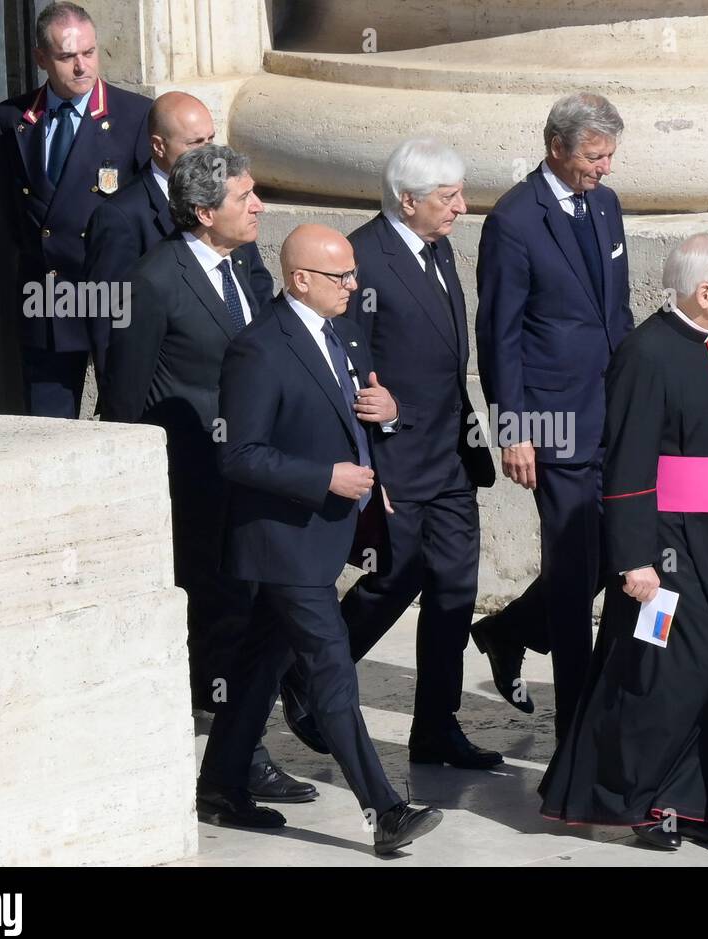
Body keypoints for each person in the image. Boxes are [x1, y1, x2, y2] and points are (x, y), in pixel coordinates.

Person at [540, 234, 708, 851]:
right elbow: (625, 463)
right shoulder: (646, 353)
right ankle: (634, 799)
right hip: (669, 546)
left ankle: (690, 801)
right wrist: (634, 560)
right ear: (704, 292)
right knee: (667, 673)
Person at [197, 223, 442, 856]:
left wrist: (387, 419)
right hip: (282, 542)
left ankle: (221, 784)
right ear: (301, 279)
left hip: (328, 533)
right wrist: (324, 477)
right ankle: (384, 809)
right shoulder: (260, 348)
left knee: (259, 664)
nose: (355, 286)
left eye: (354, 273)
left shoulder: (343, 335)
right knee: (331, 670)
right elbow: (240, 455)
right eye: (342, 277)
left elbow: (354, 422)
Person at [98, 144, 314, 804]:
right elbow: (125, 397)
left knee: (264, 608)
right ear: (201, 211)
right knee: (227, 617)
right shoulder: (153, 281)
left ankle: (259, 735)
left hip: (260, 471)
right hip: (198, 482)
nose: (260, 206)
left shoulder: (245, 262)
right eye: (244, 198)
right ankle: (237, 762)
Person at [279, 139, 500, 769]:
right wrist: (371, 411)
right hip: (395, 455)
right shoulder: (363, 257)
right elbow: (337, 347)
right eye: (447, 196)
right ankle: (306, 676)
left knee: (455, 588)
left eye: (459, 193)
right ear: (408, 200)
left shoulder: (439, 247)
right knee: (391, 579)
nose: (460, 206)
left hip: (451, 455)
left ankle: (436, 724)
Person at [472, 92, 635, 738]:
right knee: (572, 573)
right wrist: (512, 430)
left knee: (613, 556)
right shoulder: (514, 221)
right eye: (595, 156)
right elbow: (499, 336)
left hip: (611, 416)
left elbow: (615, 314)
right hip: (551, 424)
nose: (605, 168)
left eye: (610, 156)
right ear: (556, 149)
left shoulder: (606, 204)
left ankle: (508, 631)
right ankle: (578, 729)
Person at [0, 1, 149, 417]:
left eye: (89, 53)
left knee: (129, 424)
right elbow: (6, 212)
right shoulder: (10, 119)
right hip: (48, 301)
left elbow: (153, 214)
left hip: (115, 297)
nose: (81, 67)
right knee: (48, 429)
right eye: (66, 56)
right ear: (41, 58)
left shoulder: (135, 116)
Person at [83, 91, 273, 316]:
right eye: (196, 143)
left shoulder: (226, 189)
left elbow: (257, 281)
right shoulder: (121, 217)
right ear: (158, 146)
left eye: (210, 139)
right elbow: (110, 313)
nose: (208, 153)